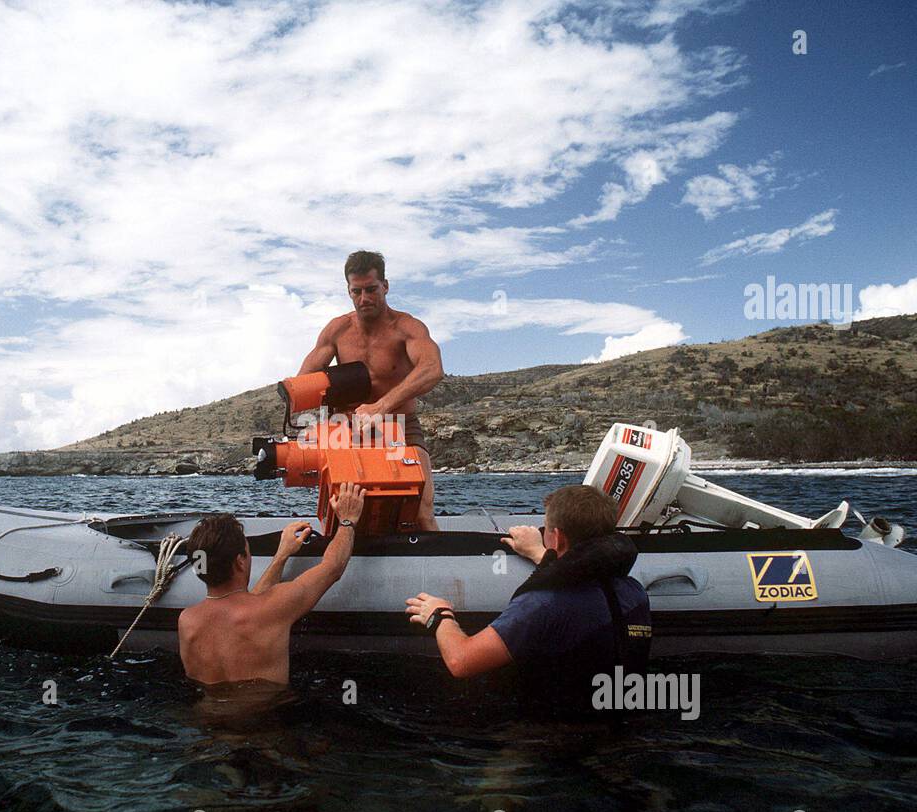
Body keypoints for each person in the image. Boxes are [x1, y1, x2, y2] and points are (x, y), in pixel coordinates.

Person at [404, 485, 651, 715]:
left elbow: (461, 662)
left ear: (557, 538)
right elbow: (584, 572)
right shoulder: (634, 593)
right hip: (617, 720)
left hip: (551, 737)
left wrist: (440, 615)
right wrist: (541, 555)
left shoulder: (542, 605)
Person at [298, 250, 444, 531]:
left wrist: (381, 407)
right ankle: (341, 565)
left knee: (422, 512)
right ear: (348, 291)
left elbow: (432, 368)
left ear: (385, 286)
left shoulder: (406, 327)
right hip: (349, 431)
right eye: (356, 291)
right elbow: (304, 381)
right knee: (344, 510)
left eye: (371, 289)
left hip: (400, 425)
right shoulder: (337, 330)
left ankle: (438, 570)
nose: (364, 298)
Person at [177, 482, 366, 687]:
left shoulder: (186, 620)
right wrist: (348, 521)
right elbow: (333, 567)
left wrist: (281, 556)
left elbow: (246, 606)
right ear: (240, 561)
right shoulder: (273, 608)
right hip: (264, 716)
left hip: (206, 716)